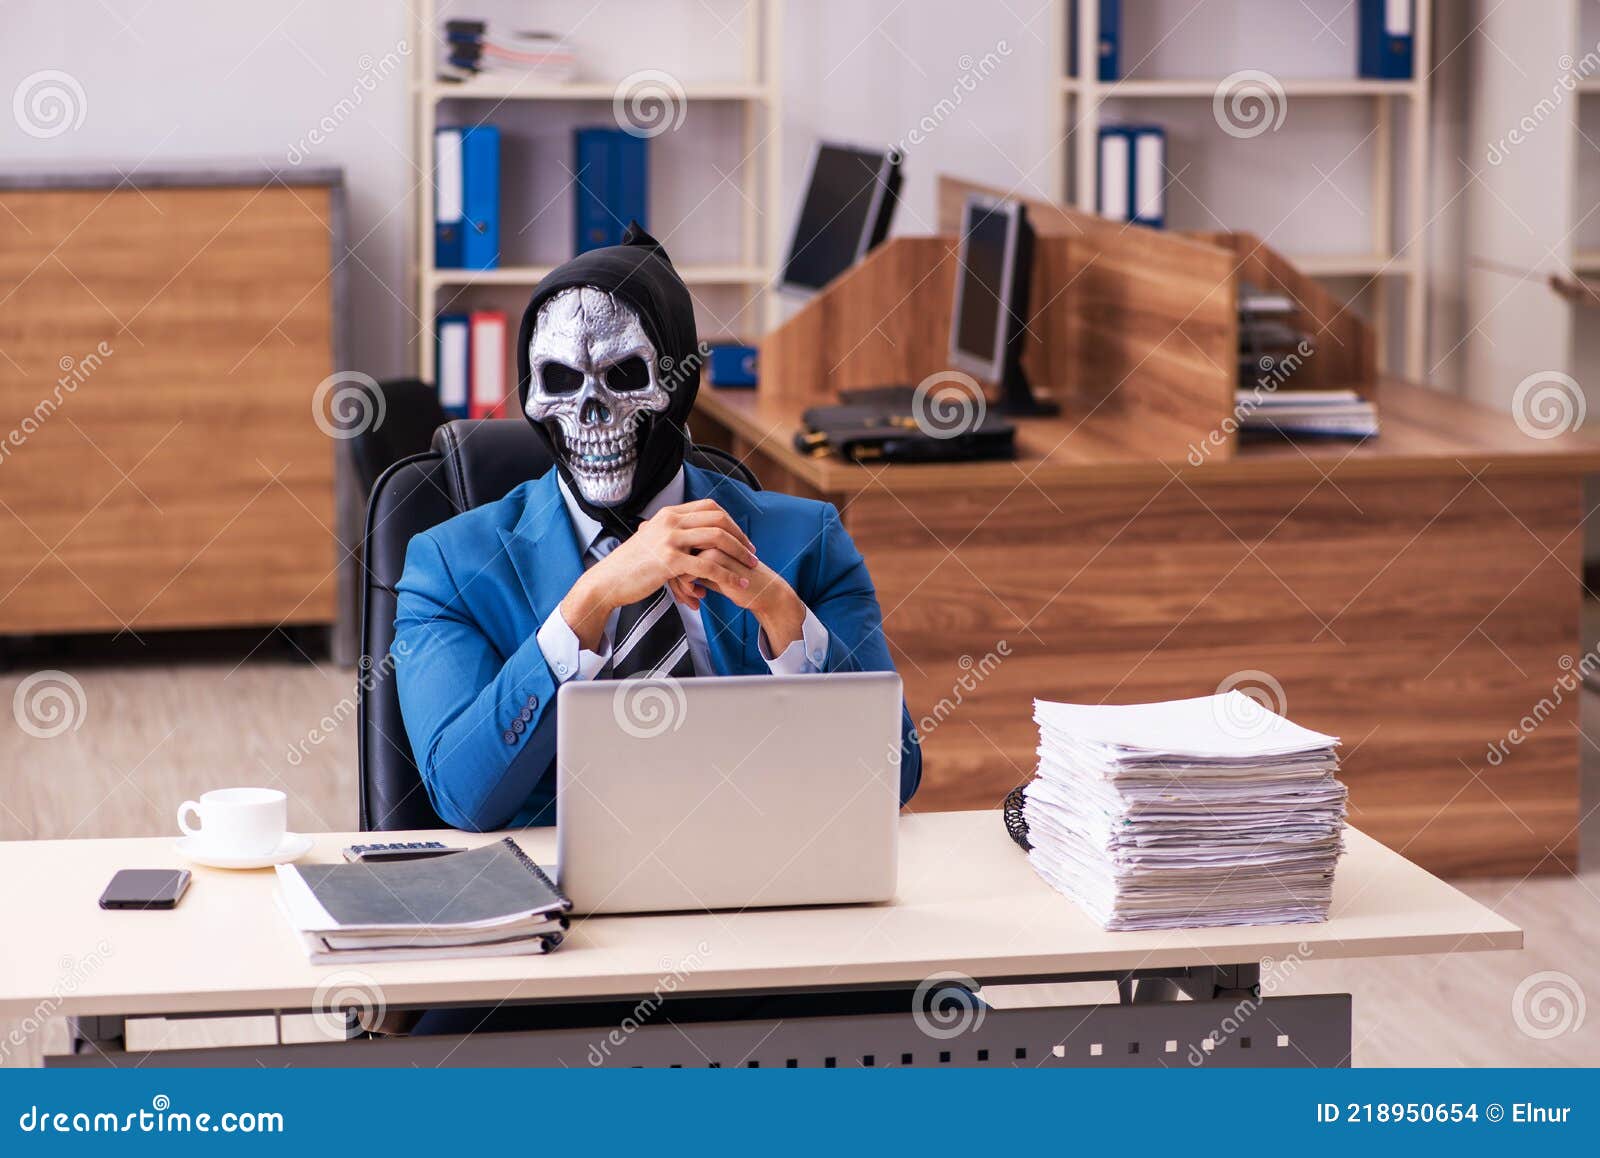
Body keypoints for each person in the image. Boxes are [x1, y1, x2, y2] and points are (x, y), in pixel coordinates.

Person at [392, 225, 920, 832]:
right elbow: (465, 799)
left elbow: (892, 781)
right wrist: (587, 603)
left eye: (624, 377)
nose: (591, 412)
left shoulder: (809, 543)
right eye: (560, 380)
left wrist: (781, 616)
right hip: (566, 893)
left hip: (758, 882)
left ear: (677, 384)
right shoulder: (450, 566)